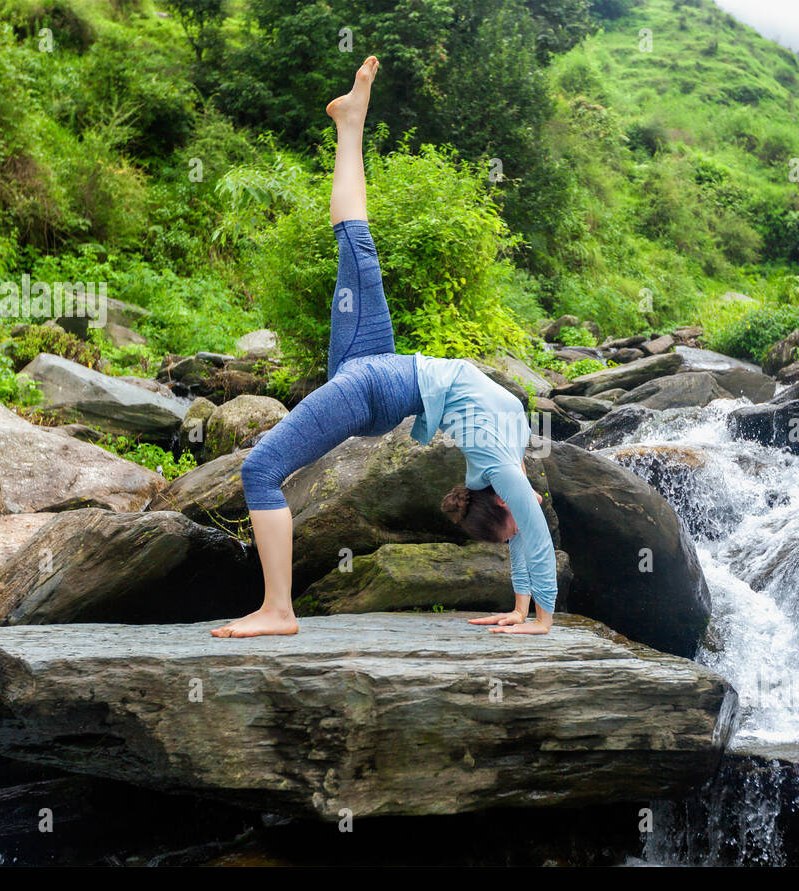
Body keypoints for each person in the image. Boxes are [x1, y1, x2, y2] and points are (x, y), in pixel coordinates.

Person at [211, 56, 557, 639]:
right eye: (508, 527)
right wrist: (535, 615)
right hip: (375, 370)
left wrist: (529, 606)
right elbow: (531, 529)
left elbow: (522, 529)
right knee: (356, 240)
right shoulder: (500, 460)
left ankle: (278, 611)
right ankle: (351, 122)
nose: (515, 527)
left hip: (375, 387)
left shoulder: (497, 458)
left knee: (260, 469)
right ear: (498, 502)